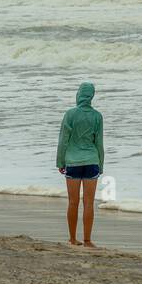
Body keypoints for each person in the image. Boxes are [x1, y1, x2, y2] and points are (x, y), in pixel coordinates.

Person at [56, 81, 104, 247]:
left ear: (79, 94)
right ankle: (88, 240)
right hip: (92, 161)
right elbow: (99, 143)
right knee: (89, 203)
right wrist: (101, 165)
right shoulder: (97, 116)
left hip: (73, 162)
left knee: (73, 202)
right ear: (91, 96)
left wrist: (60, 162)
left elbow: (63, 140)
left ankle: (72, 238)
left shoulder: (70, 114)